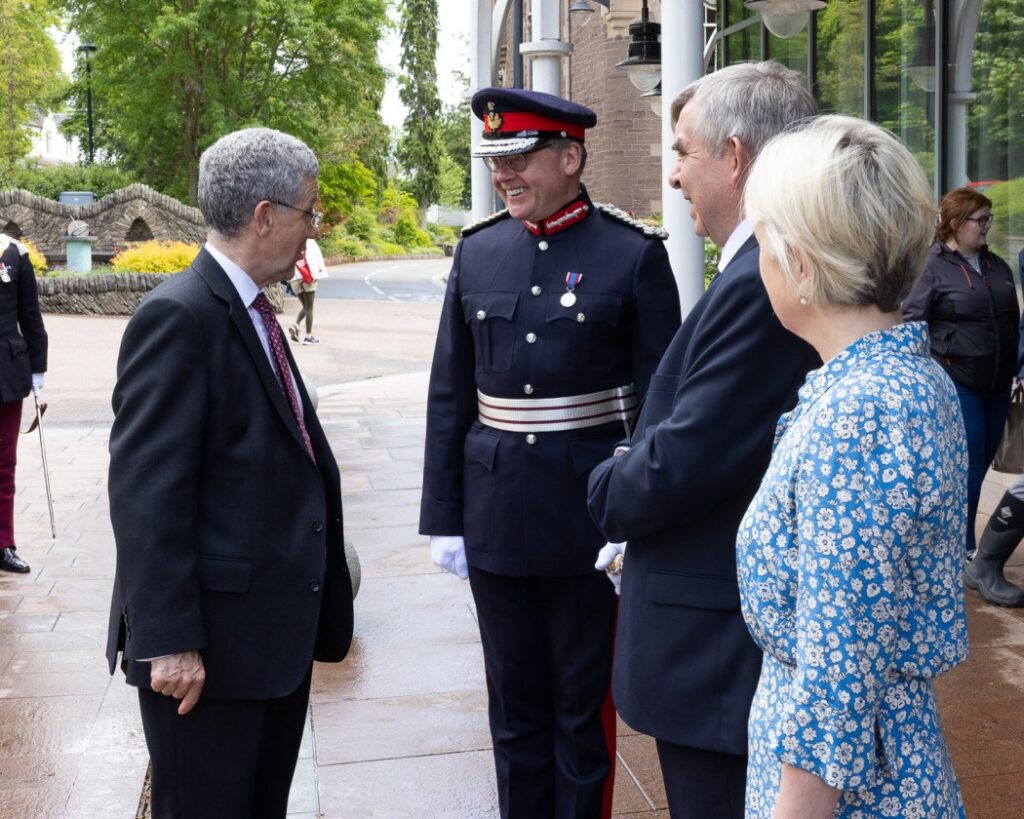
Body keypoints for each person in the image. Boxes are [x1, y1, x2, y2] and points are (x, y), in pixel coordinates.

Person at [419, 87, 680, 818]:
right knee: (512, 705)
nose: (504, 174)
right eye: (496, 159)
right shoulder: (477, 253)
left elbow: (663, 400)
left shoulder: (631, 256)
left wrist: (637, 511)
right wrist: (445, 515)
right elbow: (451, 394)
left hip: (587, 518)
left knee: (580, 707)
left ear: (570, 158)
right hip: (495, 511)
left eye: (521, 158)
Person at [586, 62, 820, 818]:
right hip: (717, 640)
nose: (677, 174)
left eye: (684, 152)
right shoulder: (759, 264)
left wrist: (609, 482)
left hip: (720, 654)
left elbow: (686, 457)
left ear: (736, 155)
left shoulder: (763, 276)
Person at [105, 127, 353, 819]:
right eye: (309, 211)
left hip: (264, 645)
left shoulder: (250, 310)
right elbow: (146, 496)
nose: (314, 228)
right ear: (264, 216)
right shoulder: (179, 317)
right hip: (206, 659)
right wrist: (170, 640)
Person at [738, 114, 969, 818]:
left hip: (858, 790)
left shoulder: (861, 412)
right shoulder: (895, 379)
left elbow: (839, 671)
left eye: (763, 243)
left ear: (801, 263)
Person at [903, 186, 1019, 554]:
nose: (986, 227)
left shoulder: (996, 266)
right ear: (956, 223)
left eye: (989, 219)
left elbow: (1014, 323)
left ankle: (956, 539)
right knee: (967, 469)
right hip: (957, 383)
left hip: (998, 383)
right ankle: (964, 546)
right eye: (980, 220)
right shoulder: (931, 268)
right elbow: (911, 324)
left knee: (983, 464)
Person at [0, 233, 47, 574]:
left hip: (6, 370)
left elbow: (30, 314)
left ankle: (3, 543)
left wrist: (38, 370)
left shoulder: (14, 252)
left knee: (4, 464)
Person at [288, 236, 327, 345]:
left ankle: (295, 325)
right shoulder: (308, 241)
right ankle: (308, 337)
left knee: (305, 306)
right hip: (307, 276)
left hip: (294, 278)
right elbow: (311, 259)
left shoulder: (292, 239)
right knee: (309, 308)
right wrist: (315, 275)